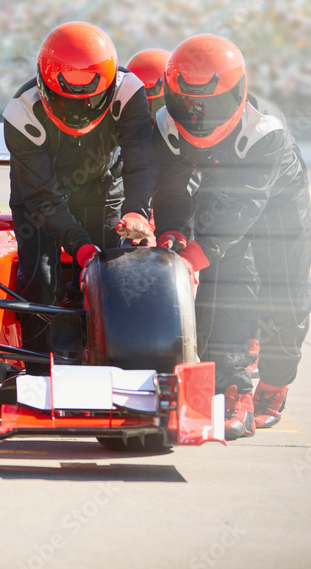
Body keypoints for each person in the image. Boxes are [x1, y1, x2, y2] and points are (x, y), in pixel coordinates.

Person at [153, 33, 311, 439]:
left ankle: (276, 383)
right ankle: (232, 390)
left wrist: (196, 252)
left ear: (236, 92)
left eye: (207, 104)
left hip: (275, 199)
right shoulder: (167, 126)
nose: (196, 114)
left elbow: (241, 210)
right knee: (226, 285)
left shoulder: (266, 135)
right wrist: (172, 232)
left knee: (286, 292)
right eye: (188, 103)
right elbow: (170, 189)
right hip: (218, 191)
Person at [2, 22, 158, 372]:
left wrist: (136, 211)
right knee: (41, 281)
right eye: (68, 99)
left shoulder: (130, 91)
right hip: (38, 199)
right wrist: (80, 246)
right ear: (45, 85)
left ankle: (116, 366)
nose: (78, 110)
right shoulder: (21, 112)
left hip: (103, 187)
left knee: (114, 276)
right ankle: (38, 368)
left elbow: (141, 160)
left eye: (88, 97)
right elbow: (43, 197)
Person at [129, 46, 262, 376]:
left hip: (190, 207)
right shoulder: (130, 127)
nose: (149, 109)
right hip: (151, 209)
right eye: (141, 100)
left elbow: (191, 184)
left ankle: (244, 342)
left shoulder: (214, 118)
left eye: (155, 99)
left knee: (232, 268)